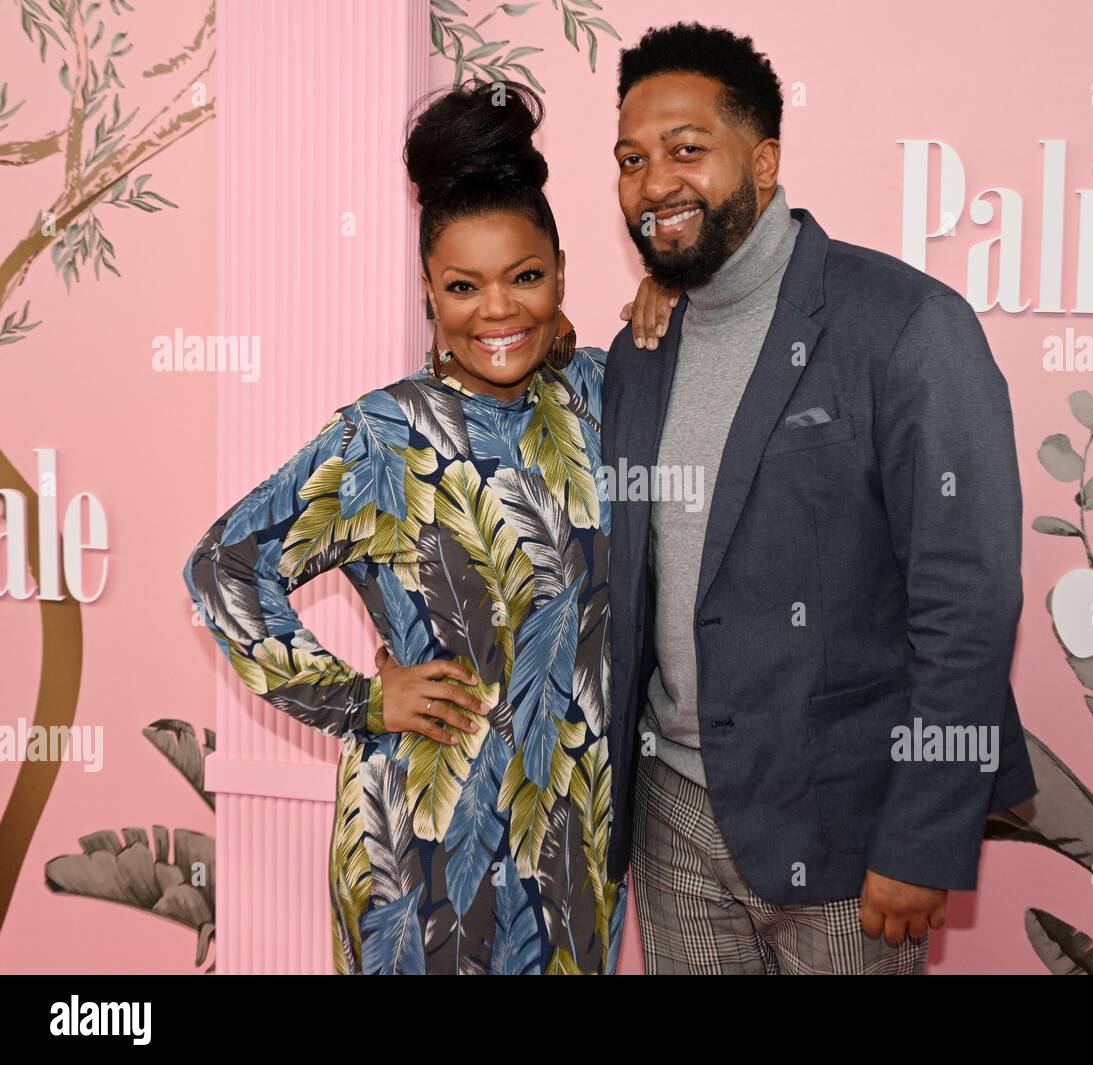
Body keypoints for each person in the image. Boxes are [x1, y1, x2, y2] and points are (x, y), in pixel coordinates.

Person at [601, 22, 1039, 974]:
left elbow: (968, 602)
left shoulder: (906, 325)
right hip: (672, 820)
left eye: (686, 150)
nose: (654, 183)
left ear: (763, 162)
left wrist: (922, 837)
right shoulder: (639, 351)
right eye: (633, 160)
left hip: (849, 829)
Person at [183, 80, 629, 975]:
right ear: (428, 289)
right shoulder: (382, 435)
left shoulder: (603, 394)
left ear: (562, 274)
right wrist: (356, 698)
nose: (497, 310)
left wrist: (655, 312)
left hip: (576, 833)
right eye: (464, 286)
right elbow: (223, 564)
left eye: (525, 277)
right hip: (422, 837)